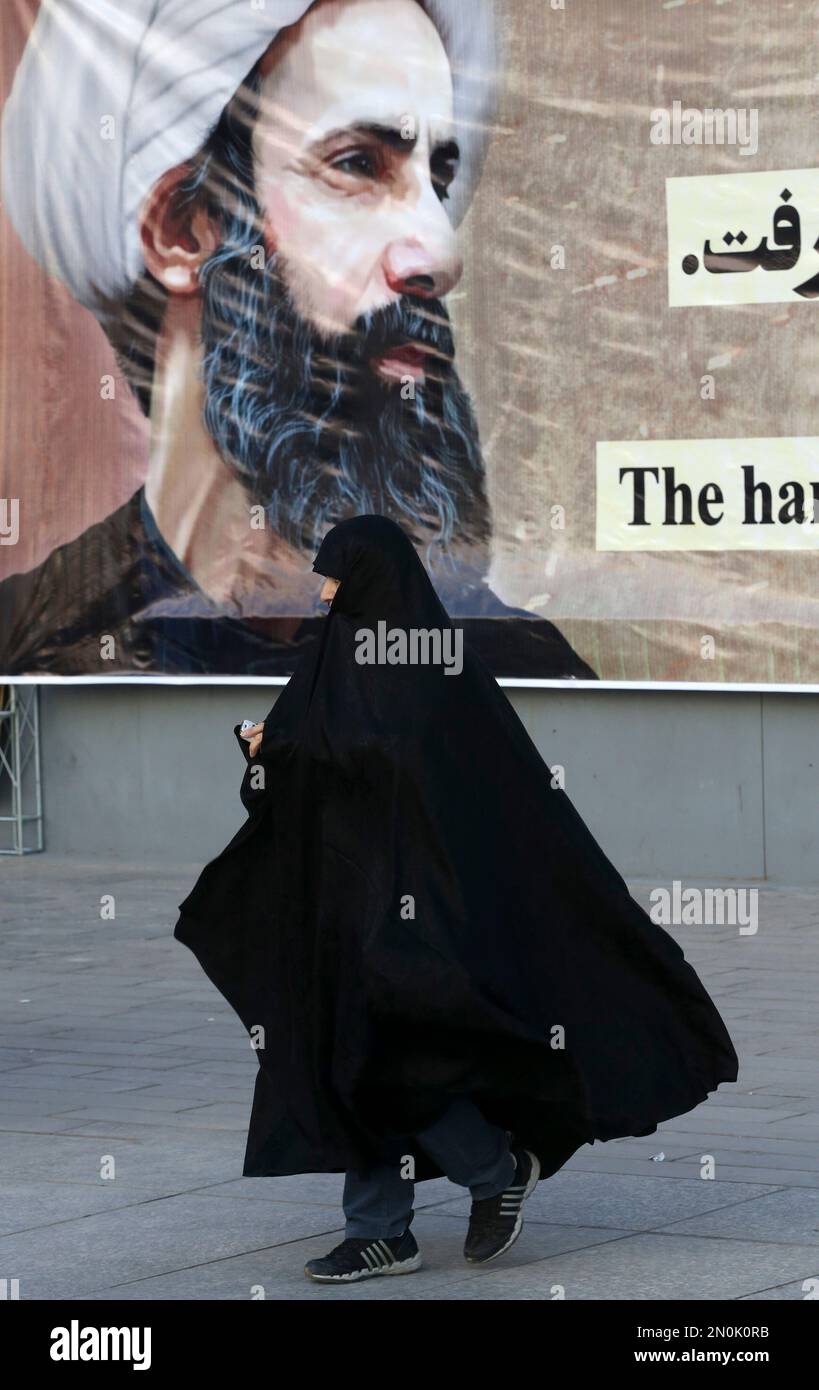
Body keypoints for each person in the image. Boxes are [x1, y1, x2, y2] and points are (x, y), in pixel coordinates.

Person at [174, 514, 738, 1284]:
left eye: (338, 577)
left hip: (419, 903)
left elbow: (400, 758)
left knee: (390, 1056)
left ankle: (465, 1184)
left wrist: (290, 746)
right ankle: (397, 1223)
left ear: (377, 577)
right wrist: (270, 748)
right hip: (342, 897)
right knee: (357, 1056)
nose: (327, 592)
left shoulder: (423, 662)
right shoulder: (334, 659)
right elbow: (312, 756)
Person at [0, 0, 596, 681]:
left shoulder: (516, 680)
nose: (440, 251)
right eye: (358, 165)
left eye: (437, 181)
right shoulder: (29, 652)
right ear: (184, 230)